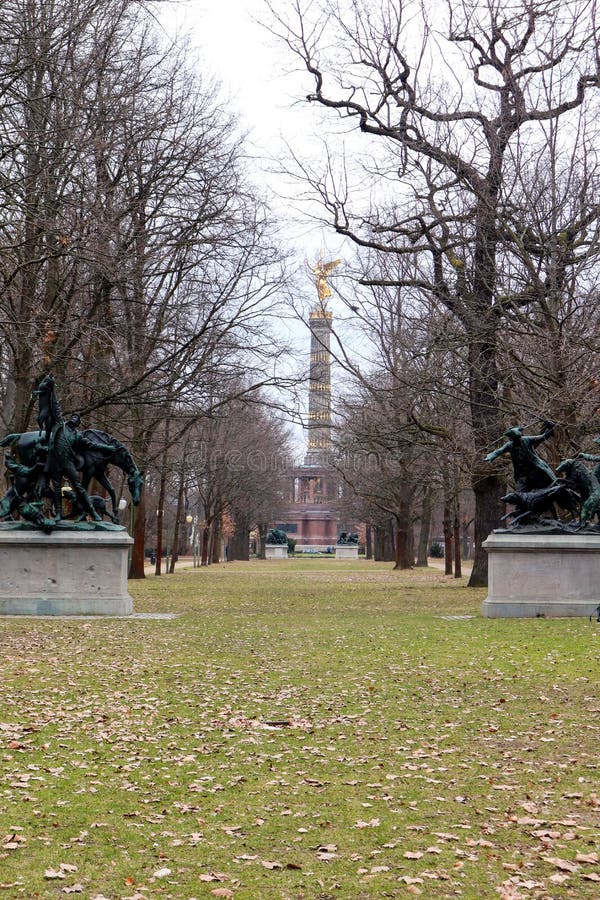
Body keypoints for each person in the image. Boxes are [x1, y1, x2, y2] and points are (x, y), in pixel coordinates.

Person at [485, 422, 556, 490]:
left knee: (549, 484)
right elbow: (499, 451)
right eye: (516, 439)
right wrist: (491, 456)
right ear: (512, 439)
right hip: (522, 473)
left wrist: (550, 428)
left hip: (535, 468)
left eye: (519, 438)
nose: (518, 440)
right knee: (520, 492)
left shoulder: (527, 439)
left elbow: (542, 437)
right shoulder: (510, 445)